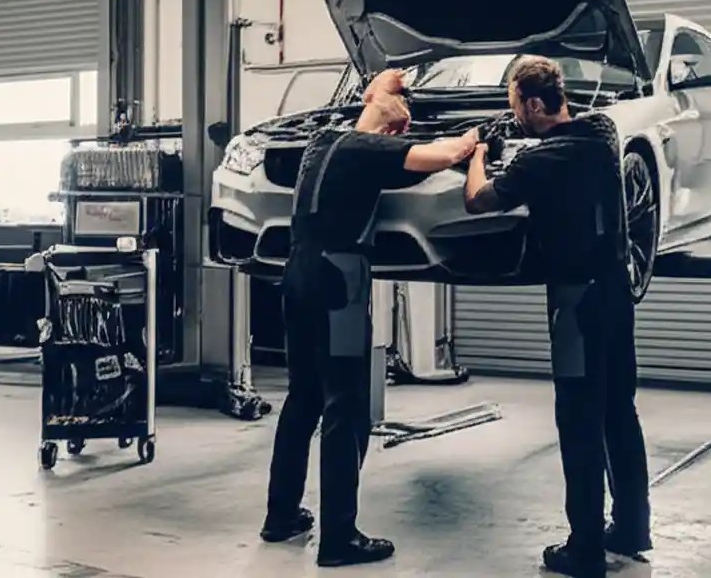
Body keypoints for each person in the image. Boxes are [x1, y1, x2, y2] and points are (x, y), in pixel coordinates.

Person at [261, 68, 479, 568]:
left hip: (297, 276)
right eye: (395, 105)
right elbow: (443, 156)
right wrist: (474, 139)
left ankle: (281, 515)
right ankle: (340, 538)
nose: (399, 106)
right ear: (385, 125)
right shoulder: (366, 148)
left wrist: (385, 84)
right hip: (339, 282)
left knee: (305, 395)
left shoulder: (321, 145)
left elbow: (408, 165)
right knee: (348, 404)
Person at [463, 56, 652, 577]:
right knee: (619, 411)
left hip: (575, 305)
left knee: (578, 420)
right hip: (616, 293)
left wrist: (479, 153)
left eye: (517, 106)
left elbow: (479, 200)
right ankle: (633, 527)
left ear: (536, 103)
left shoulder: (540, 162)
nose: (516, 115)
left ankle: (585, 548)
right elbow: (570, 139)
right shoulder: (602, 135)